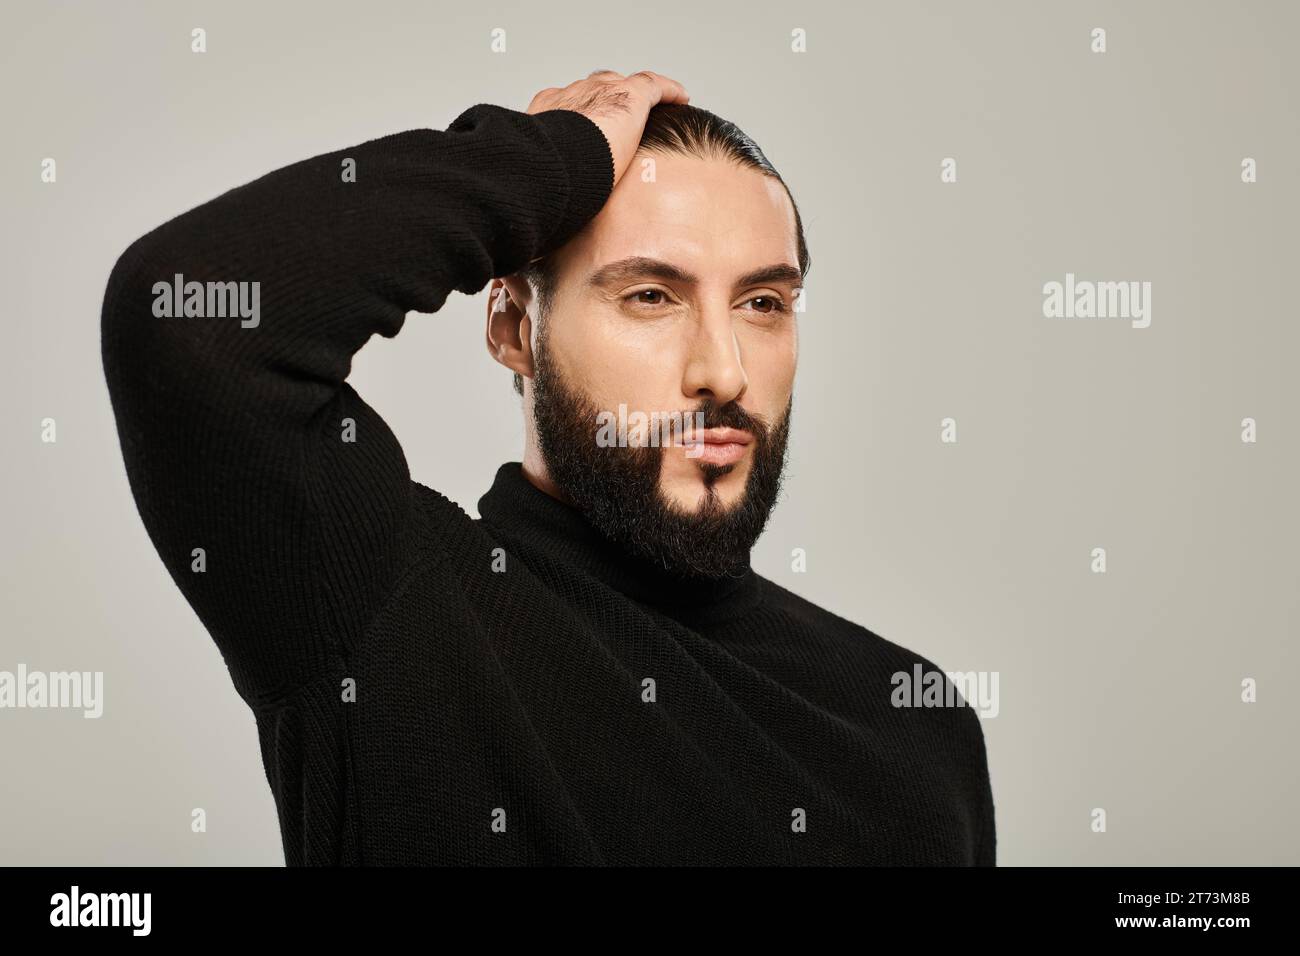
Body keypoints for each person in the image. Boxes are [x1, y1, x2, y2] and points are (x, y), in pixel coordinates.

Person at [101, 69, 995, 865]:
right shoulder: (389, 610)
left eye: (764, 302)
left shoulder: (914, 720)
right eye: (651, 295)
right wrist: (553, 158)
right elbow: (188, 312)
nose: (724, 371)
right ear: (513, 329)